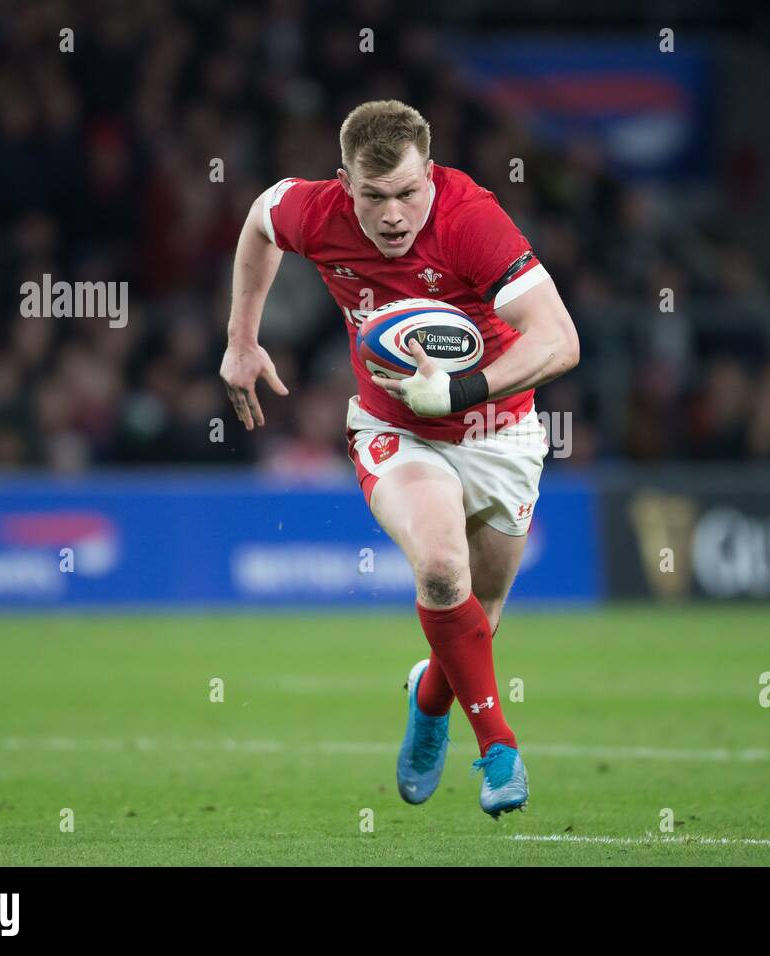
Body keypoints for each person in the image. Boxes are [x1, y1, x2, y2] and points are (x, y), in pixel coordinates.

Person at [219, 100, 579, 817]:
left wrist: (458, 389)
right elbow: (261, 217)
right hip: (396, 432)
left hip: (497, 431)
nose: (392, 215)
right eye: (374, 195)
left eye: (409, 193)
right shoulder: (317, 213)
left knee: (482, 612)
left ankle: (428, 698)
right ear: (343, 181)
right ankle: (500, 749)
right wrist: (241, 337)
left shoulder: (471, 221)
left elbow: (560, 341)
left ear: (431, 175)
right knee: (443, 570)